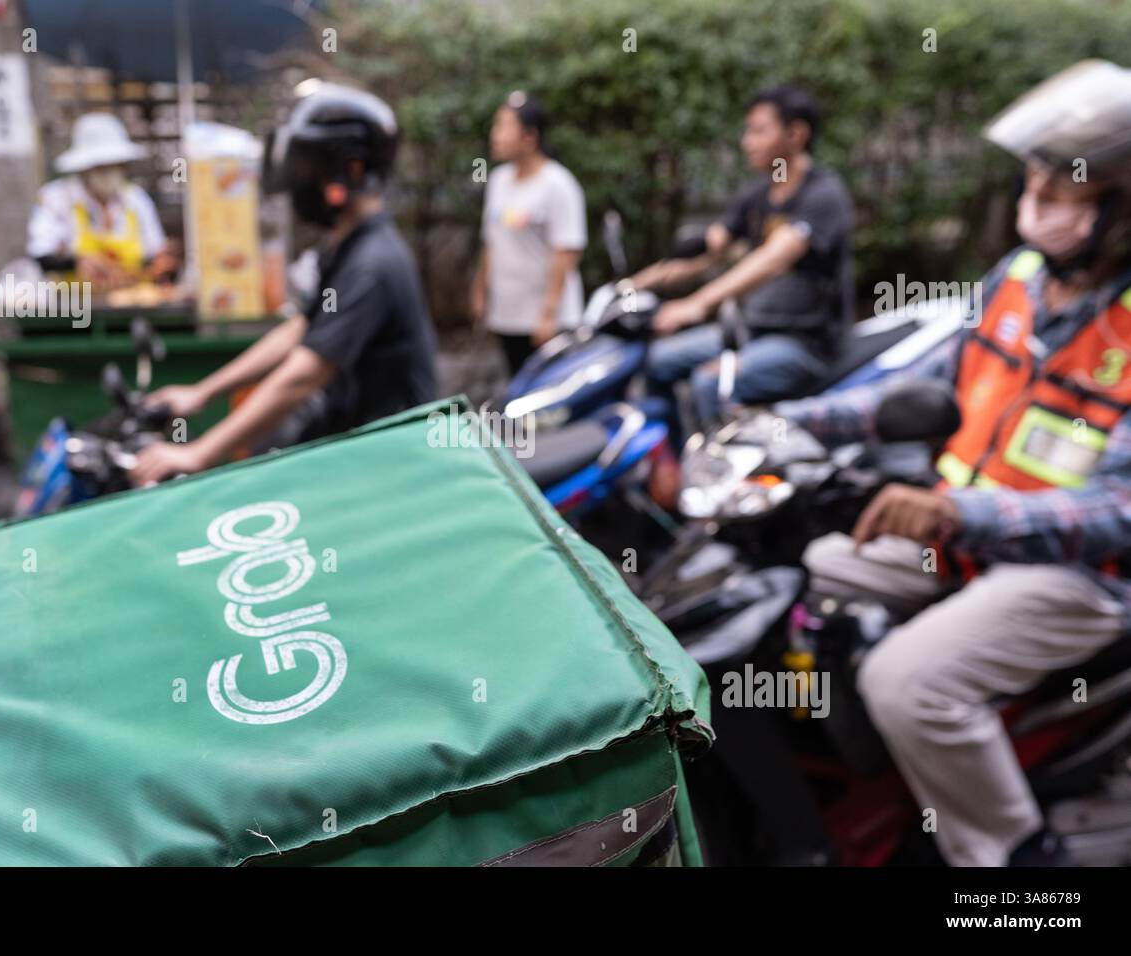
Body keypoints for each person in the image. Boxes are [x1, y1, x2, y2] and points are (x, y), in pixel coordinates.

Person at [781, 60, 1131, 866]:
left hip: (1084, 574)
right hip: (973, 540)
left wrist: (957, 513)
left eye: (1061, 189)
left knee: (907, 680)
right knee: (816, 565)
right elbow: (920, 387)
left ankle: (1012, 857)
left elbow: (1118, 507)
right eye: (1032, 183)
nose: (1033, 203)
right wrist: (786, 421)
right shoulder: (1018, 281)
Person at [129, 81, 437, 485]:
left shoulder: (372, 263)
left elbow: (305, 373)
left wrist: (199, 453)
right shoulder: (347, 246)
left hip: (392, 462)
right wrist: (203, 392)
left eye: (310, 165)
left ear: (353, 169)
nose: (298, 180)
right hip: (358, 440)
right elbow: (302, 330)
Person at [632, 84, 854, 424]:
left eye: (759, 131)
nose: (746, 142)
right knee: (658, 359)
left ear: (796, 134)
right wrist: (634, 285)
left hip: (804, 345)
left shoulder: (823, 194)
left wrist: (699, 302)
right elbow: (712, 247)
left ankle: (715, 471)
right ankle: (666, 463)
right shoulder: (757, 195)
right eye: (747, 131)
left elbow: (774, 258)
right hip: (748, 332)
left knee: (710, 382)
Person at [471, 91, 587, 375]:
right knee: (516, 396)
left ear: (529, 137)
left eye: (504, 126)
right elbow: (492, 241)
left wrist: (547, 314)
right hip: (509, 315)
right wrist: (480, 290)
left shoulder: (558, 184)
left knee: (547, 403)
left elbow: (567, 250)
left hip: (548, 323)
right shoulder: (498, 181)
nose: (495, 135)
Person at [27, 113, 176, 290]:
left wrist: (161, 264)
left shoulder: (136, 199)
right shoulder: (56, 197)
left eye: (114, 164)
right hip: (74, 308)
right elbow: (41, 256)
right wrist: (75, 262)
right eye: (101, 167)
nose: (109, 173)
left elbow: (154, 251)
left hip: (131, 301)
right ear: (84, 168)